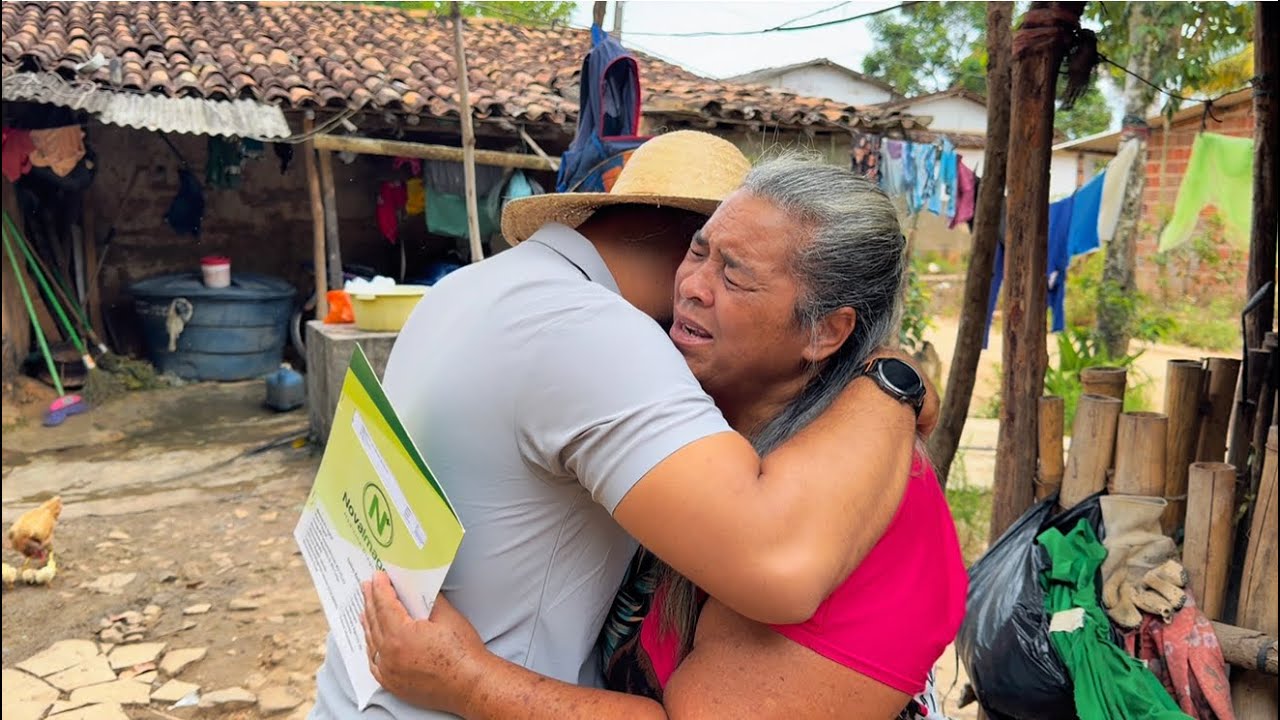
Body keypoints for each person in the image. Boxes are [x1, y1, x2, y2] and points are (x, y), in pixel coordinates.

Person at [311, 132, 936, 718]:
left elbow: (782, 572)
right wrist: (895, 384)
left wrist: (473, 680)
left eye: (734, 271)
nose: (693, 285)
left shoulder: (475, 291)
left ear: (826, 330)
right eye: (699, 252)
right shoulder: (603, 340)